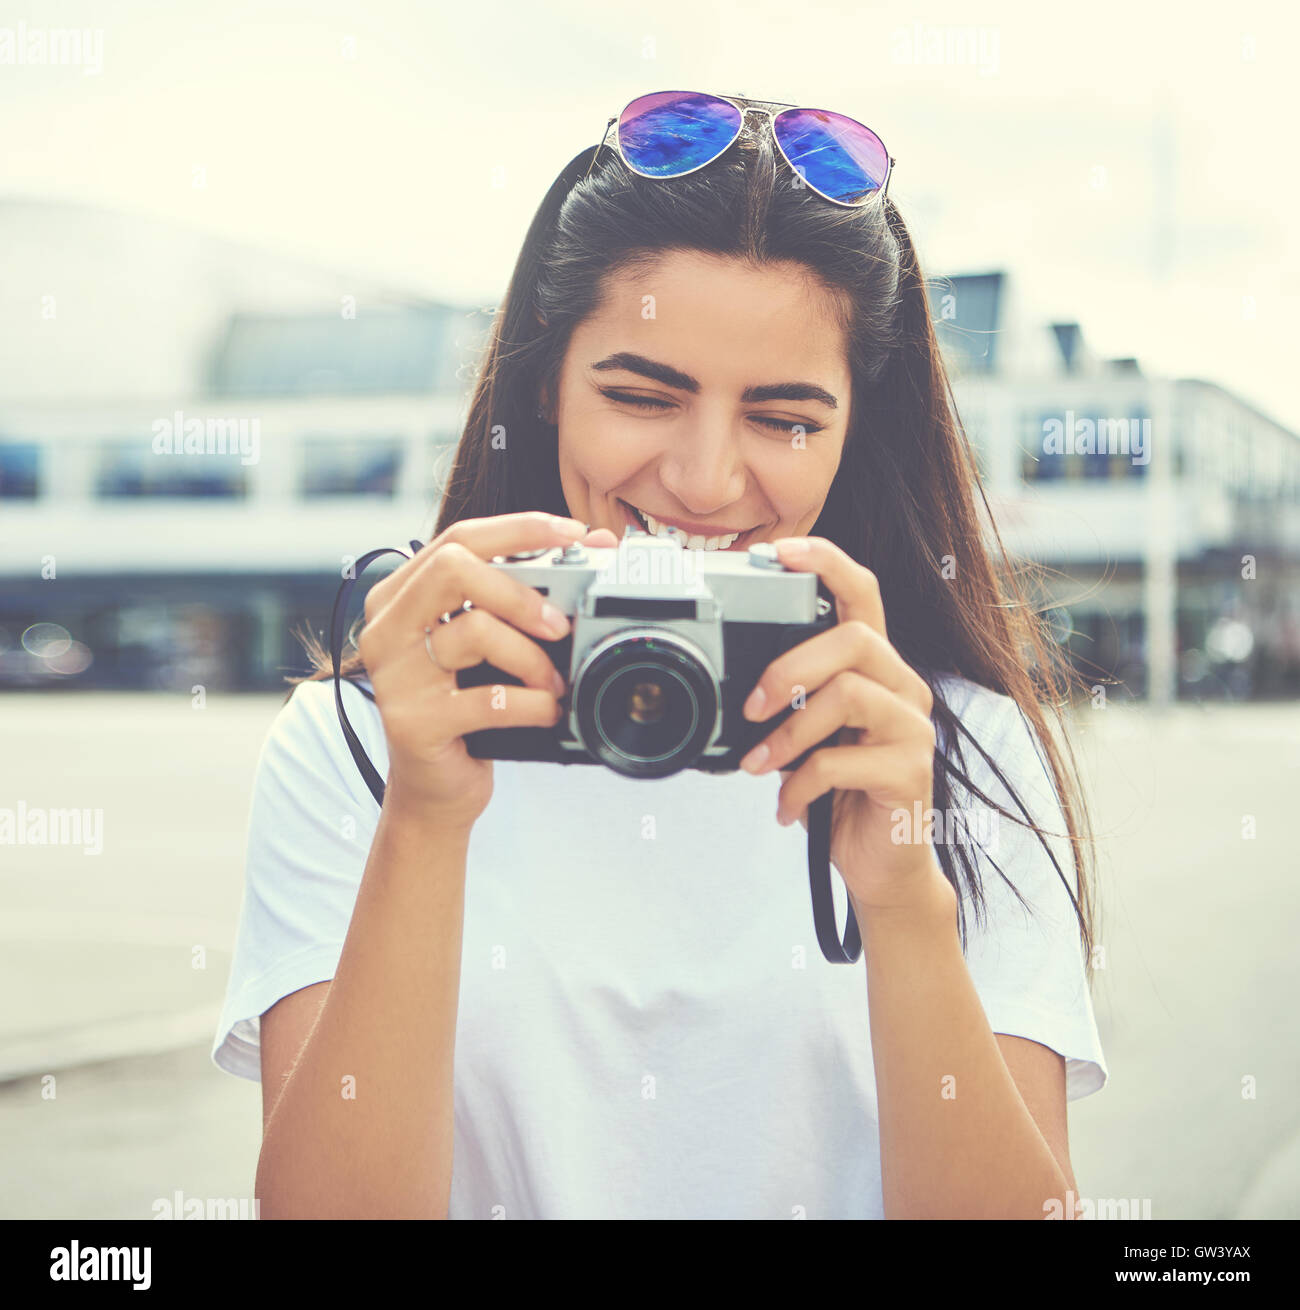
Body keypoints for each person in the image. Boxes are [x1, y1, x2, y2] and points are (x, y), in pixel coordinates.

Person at [211, 90, 1107, 1219]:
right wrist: (423, 826)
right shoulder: (360, 742)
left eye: (783, 418)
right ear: (545, 384)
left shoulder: (952, 745)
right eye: (640, 394)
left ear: (852, 431)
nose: (703, 478)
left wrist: (902, 898)